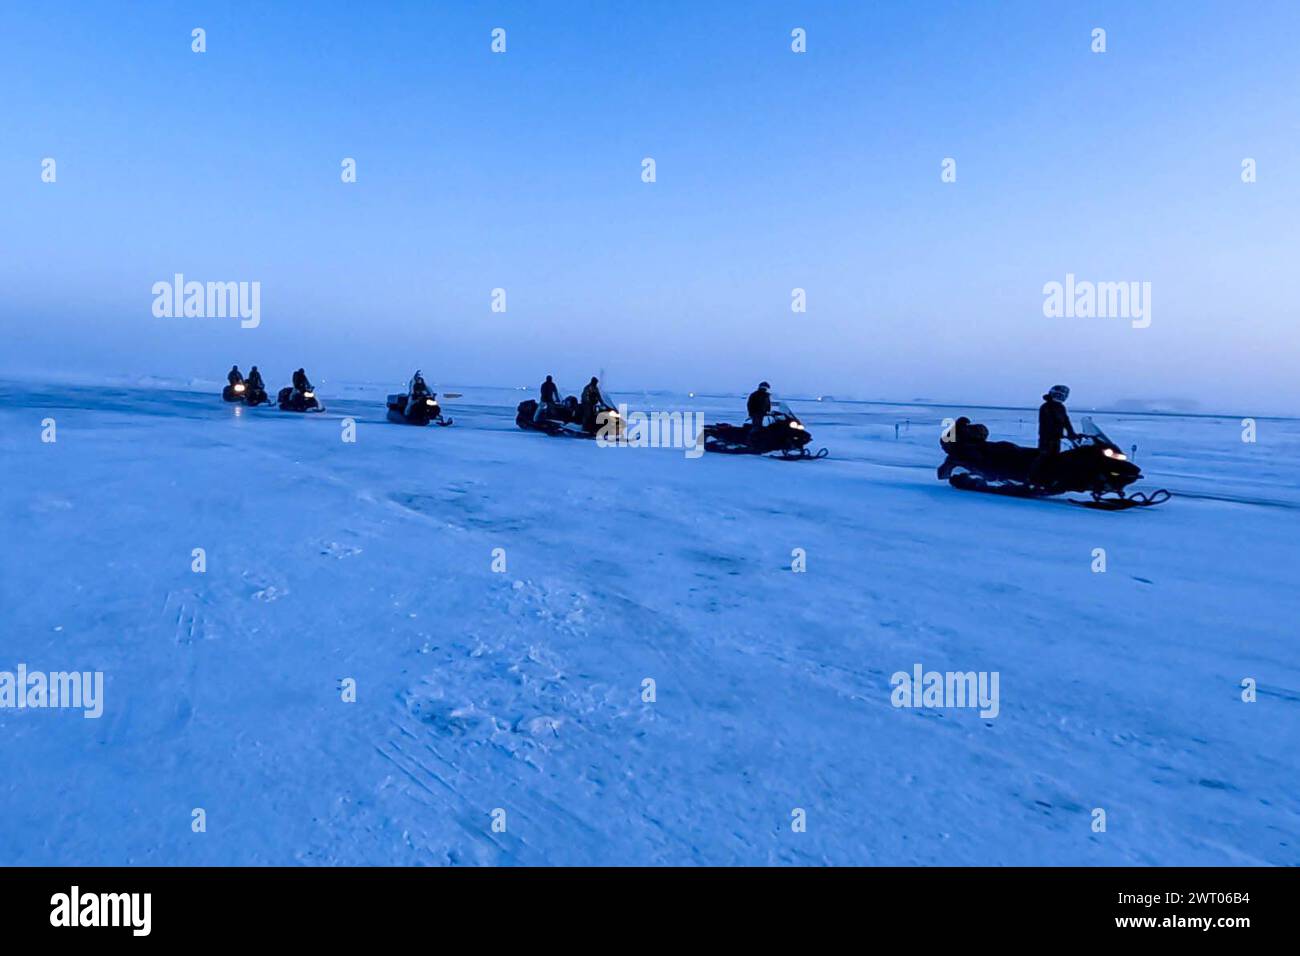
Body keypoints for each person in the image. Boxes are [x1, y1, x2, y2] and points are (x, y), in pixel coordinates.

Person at [1029, 384, 1078, 487]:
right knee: (1044, 456)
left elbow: (1066, 421)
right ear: (1052, 394)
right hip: (1047, 437)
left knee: (1055, 458)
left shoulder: (1061, 407)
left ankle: (1049, 479)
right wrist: (1056, 433)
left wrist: (1071, 433)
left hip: (1056, 438)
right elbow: (1048, 422)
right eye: (1057, 395)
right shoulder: (1046, 407)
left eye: (1062, 395)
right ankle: (1032, 478)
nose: (1059, 397)